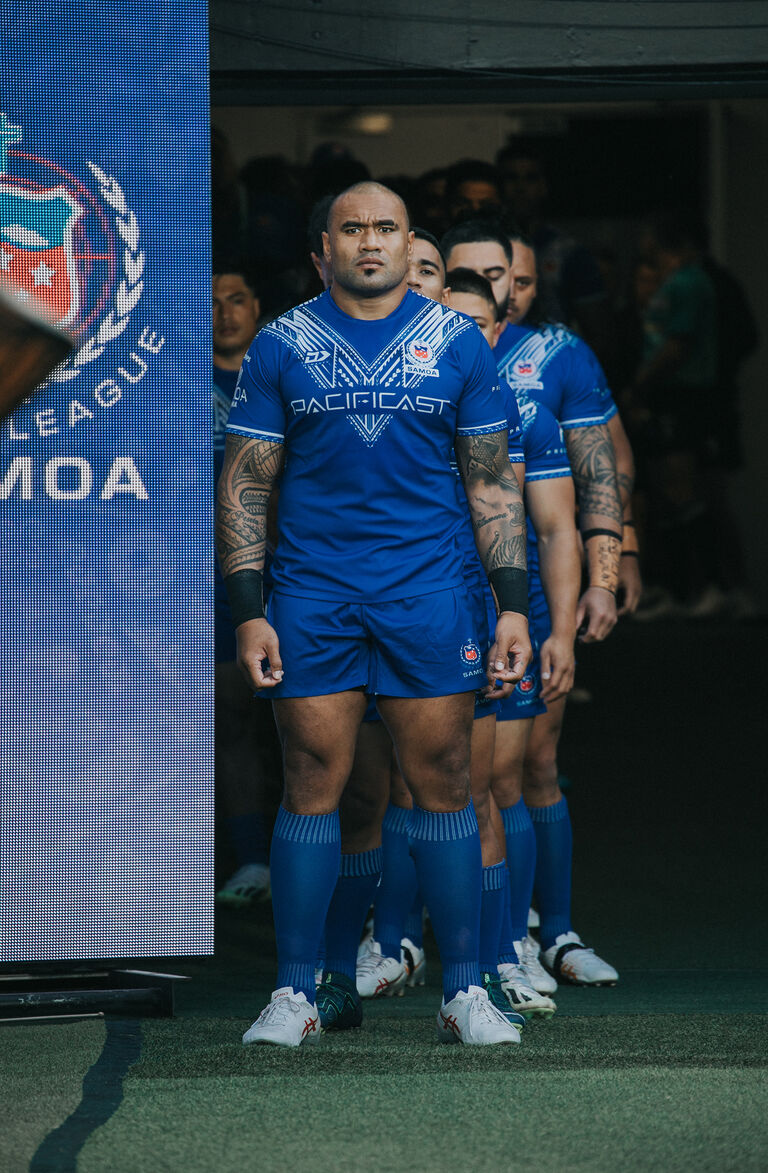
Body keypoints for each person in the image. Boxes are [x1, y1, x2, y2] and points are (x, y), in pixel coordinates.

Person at [217, 182, 532, 1048]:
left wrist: (512, 608)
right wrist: (249, 611)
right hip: (313, 593)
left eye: (387, 228)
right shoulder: (281, 344)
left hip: (429, 593)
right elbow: (247, 483)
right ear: (322, 249)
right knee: (313, 780)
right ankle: (294, 991)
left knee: (443, 783)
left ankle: (465, 990)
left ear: (406, 243)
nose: (371, 242)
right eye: (352, 228)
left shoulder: (459, 342)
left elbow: (492, 483)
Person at [442, 223, 621, 985]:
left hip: (526, 600)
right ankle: (420, 940)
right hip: (434, 598)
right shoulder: (412, 364)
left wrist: (611, 568)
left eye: (503, 276)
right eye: (475, 275)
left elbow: (597, 474)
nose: (497, 288)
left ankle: (543, 933)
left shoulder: (555, 357)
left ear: (521, 282)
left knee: (527, 767)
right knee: (432, 779)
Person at [212, 266, 280, 905]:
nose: (226, 313)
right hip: (214, 581)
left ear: (257, 306)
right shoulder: (176, 386)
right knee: (232, 721)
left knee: (311, 728)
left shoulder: (286, 369)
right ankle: (253, 859)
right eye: (212, 303)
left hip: (297, 573)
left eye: (237, 298)